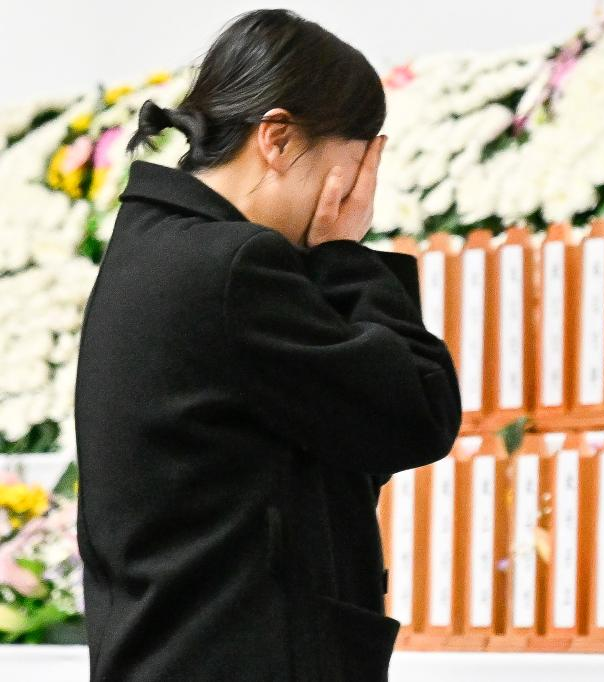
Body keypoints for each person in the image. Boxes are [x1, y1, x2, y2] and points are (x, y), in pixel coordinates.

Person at [73, 9, 461, 681]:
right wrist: (345, 252)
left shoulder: (150, 250)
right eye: (352, 169)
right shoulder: (233, 266)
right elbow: (415, 410)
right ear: (278, 138)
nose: (357, 197)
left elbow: (332, 439)